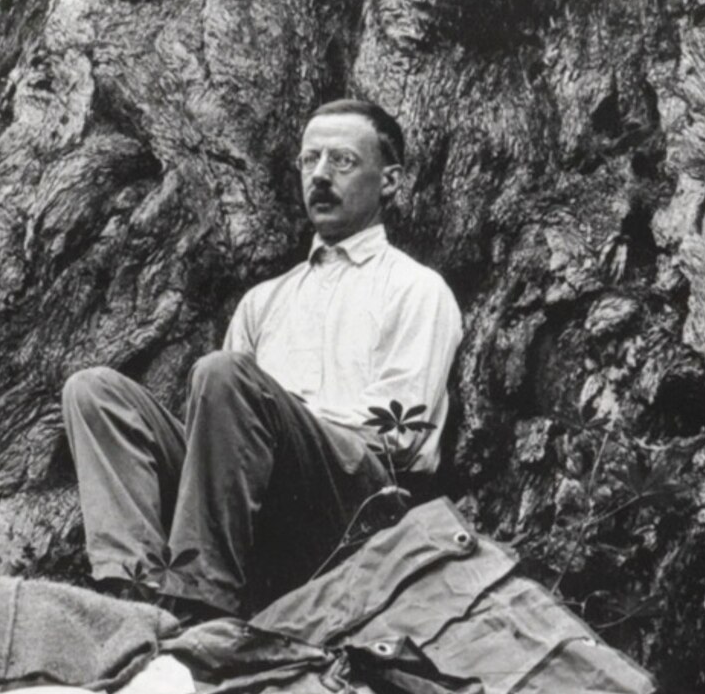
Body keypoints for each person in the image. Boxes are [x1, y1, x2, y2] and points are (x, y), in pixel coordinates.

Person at [60, 98, 462, 620]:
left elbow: (398, 439)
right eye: (309, 160)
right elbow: (219, 438)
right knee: (94, 391)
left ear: (388, 181)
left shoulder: (416, 289)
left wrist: (278, 415)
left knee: (226, 376)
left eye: (341, 161)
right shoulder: (265, 300)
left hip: (351, 512)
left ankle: (198, 603)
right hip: (250, 510)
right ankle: (129, 598)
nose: (319, 176)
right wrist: (256, 416)